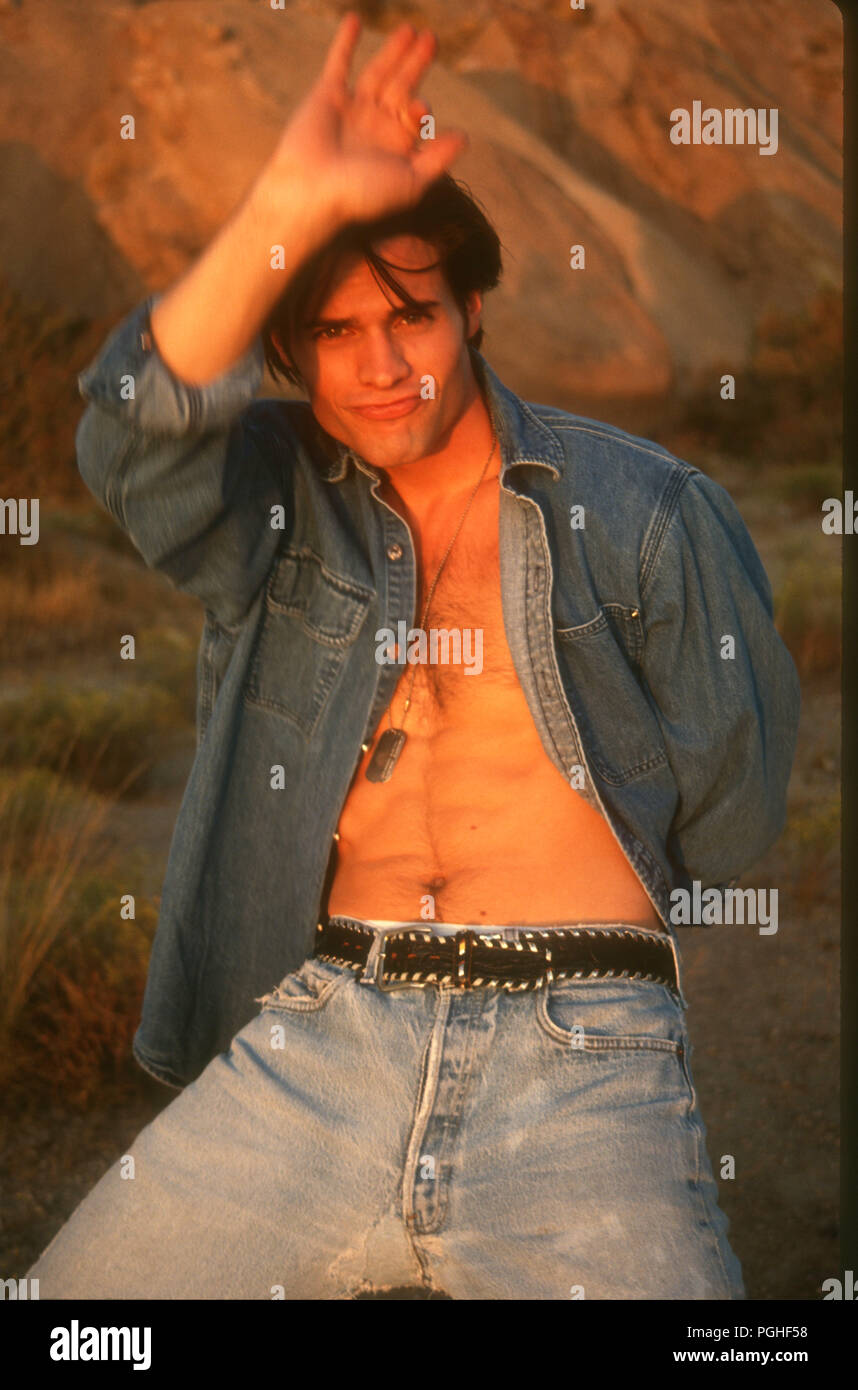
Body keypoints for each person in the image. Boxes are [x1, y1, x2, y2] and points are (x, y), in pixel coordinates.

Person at [28, 12, 800, 1299]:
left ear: (474, 308)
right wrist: (289, 196)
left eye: (411, 317)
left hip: (584, 1040)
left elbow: (735, 812)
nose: (382, 367)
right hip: (330, 1026)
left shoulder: (648, 511)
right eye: (333, 333)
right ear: (290, 355)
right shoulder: (274, 504)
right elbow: (124, 441)